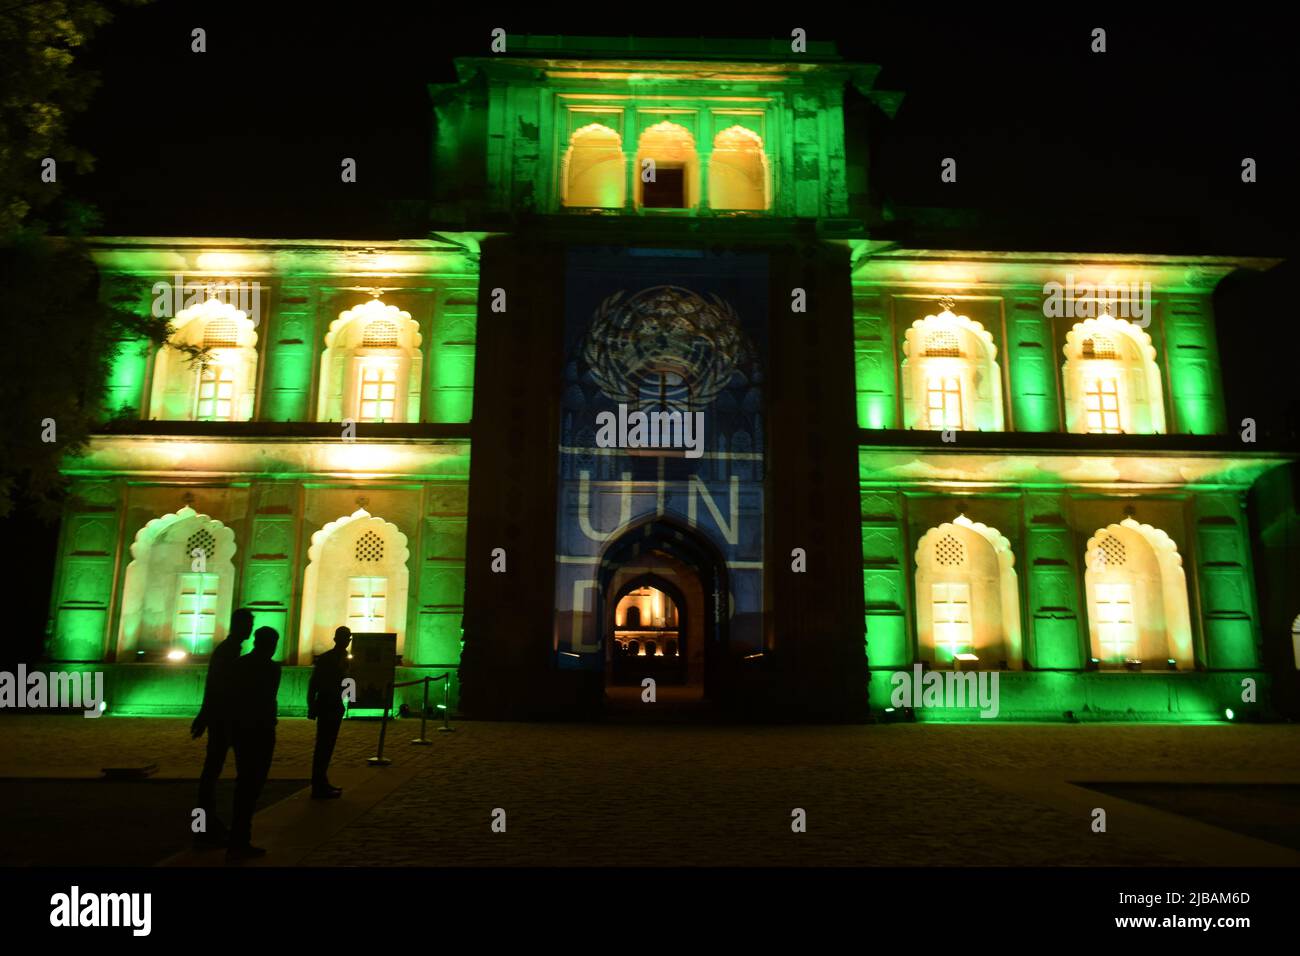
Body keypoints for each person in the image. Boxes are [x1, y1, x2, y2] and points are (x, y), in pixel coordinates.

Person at [191, 607, 253, 847]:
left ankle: (207, 825)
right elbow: (216, 686)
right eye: (247, 625)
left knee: (213, 773)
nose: (249, 629)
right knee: (211, 774)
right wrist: (205, 715)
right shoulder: (227, 652)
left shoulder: (231, 651)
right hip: (224, 720)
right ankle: (202, 827)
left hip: (228, 719)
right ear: (238, 625)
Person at [227, 625, 281, 861]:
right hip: (260, 729)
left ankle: (239, 838)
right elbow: (268, 698)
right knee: (252, 783)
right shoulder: (271, 668)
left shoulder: (239, 665)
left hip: (244, 729)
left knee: (246, 783)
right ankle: (240, 839)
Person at [307, 626, 351, 799]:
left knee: (327, 746)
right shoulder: (329, 658)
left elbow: (348, 681)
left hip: (334, 705)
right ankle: (318, 785)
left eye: (348, 638)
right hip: (327, 705)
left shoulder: (341, 659)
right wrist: (311, 705)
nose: (347, 641)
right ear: (337, 639)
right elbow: (315, 683)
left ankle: (321, 781)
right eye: (345, 637)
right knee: (323, 747)